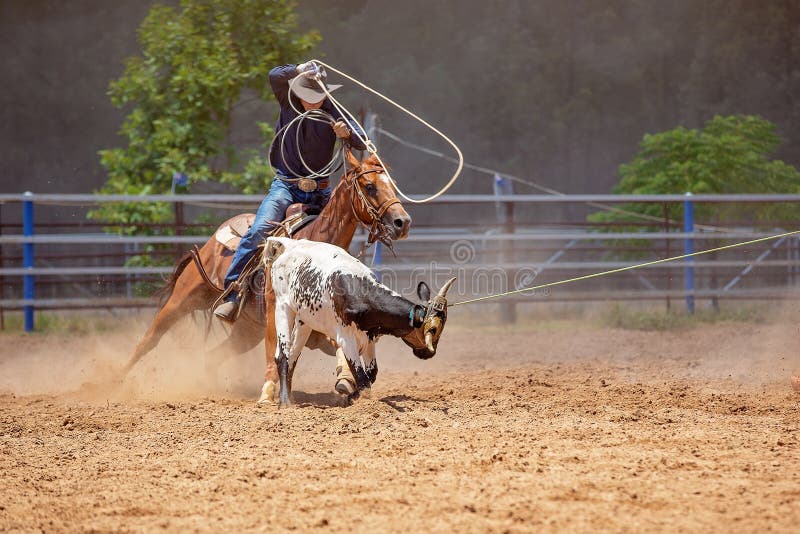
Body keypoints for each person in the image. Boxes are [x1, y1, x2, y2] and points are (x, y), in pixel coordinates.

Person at [214, 61, 366, 322]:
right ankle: (234, 292)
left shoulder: (334, 111)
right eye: (307, 96)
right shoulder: (289, 102)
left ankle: (347, 299)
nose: (312, 102)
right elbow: (274, 74)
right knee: (259, 229)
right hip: (286, 186)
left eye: (316, 96)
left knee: (341, 236)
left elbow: (363, 140)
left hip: (320, 190)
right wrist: (299, 68)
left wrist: (347, 133)